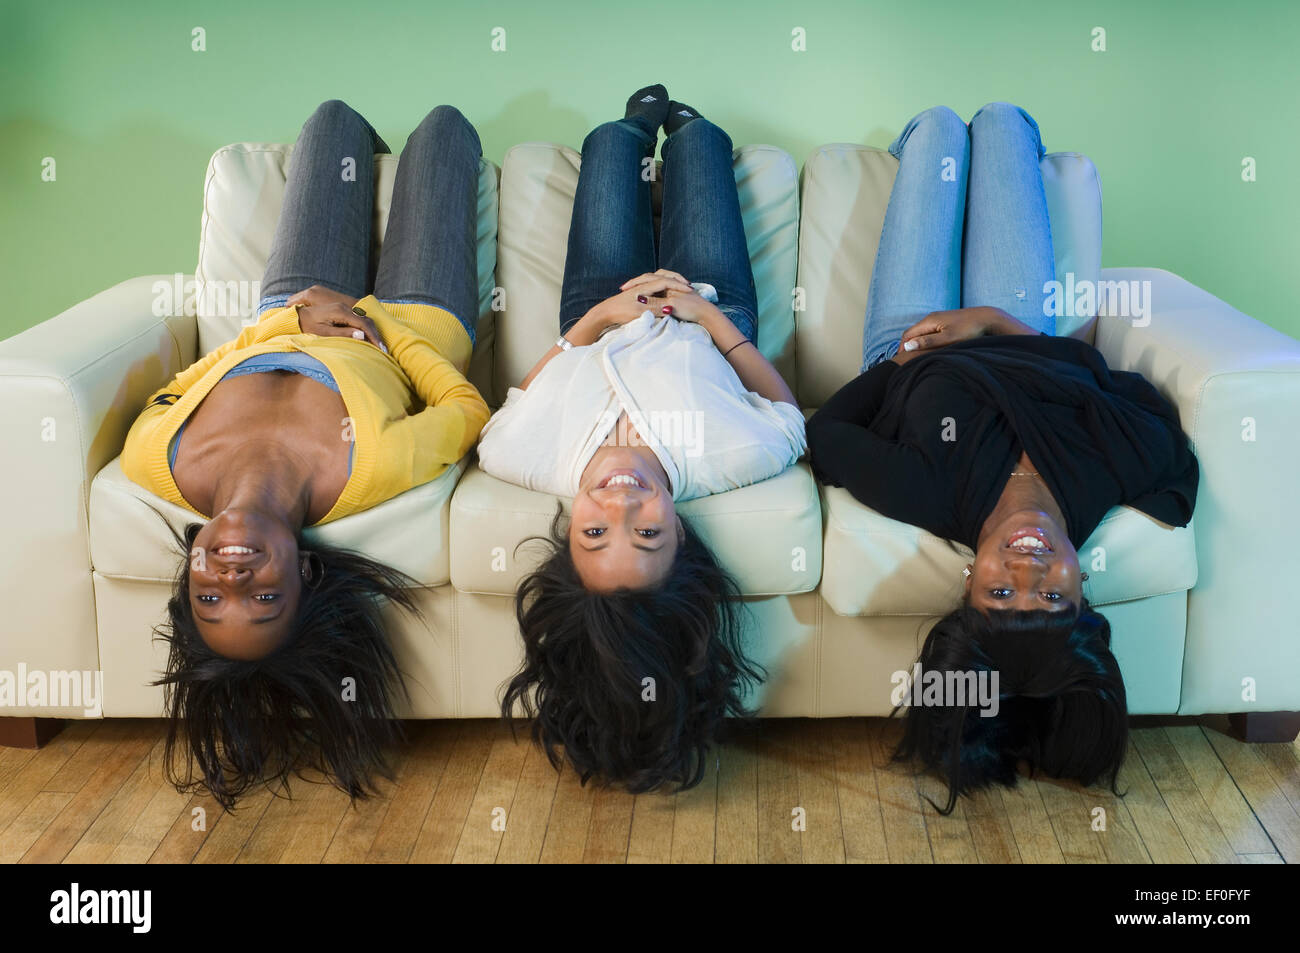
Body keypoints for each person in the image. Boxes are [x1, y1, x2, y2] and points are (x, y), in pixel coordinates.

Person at [806, 103, 1199, 813]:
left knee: (937, 130)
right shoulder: (1113, 470)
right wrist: (1001, 326)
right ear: (1083, 588)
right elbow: (1126, 389)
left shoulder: (927, 491)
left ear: (966, 583)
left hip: (911, 343)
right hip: (1019, 327)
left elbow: (827, 433)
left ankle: (920, 142)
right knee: (1003, 124)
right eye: (1051, 596)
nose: (1028, 569)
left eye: (1001, 594)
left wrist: (901, 362)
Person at [119, 100, 491, 811]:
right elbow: (466, 412)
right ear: (305, 571)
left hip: (293, 306)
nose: (233, 573)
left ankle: (366, 165)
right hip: (411, 316)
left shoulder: (162, 458)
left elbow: (172, 392)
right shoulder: (365, 469)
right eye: (263, 596)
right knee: (444, 129)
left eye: (209, 594)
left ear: (192, 564)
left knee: (331, 123)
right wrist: (376, 327)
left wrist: (287, 319)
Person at [478, 85, 806, 793]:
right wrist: (707, 319)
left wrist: (595, 317)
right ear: (682, 538)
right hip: (706, 303)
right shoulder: (726, 458)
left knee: (608, 151)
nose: (621, 505)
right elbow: (789, 418)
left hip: (602, 306)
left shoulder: (526, 458)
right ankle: (685, 132)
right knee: (701, 144)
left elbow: (510, 410)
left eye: (597, 533)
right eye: (649, 534)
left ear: (569, 536)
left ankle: (634, 126)